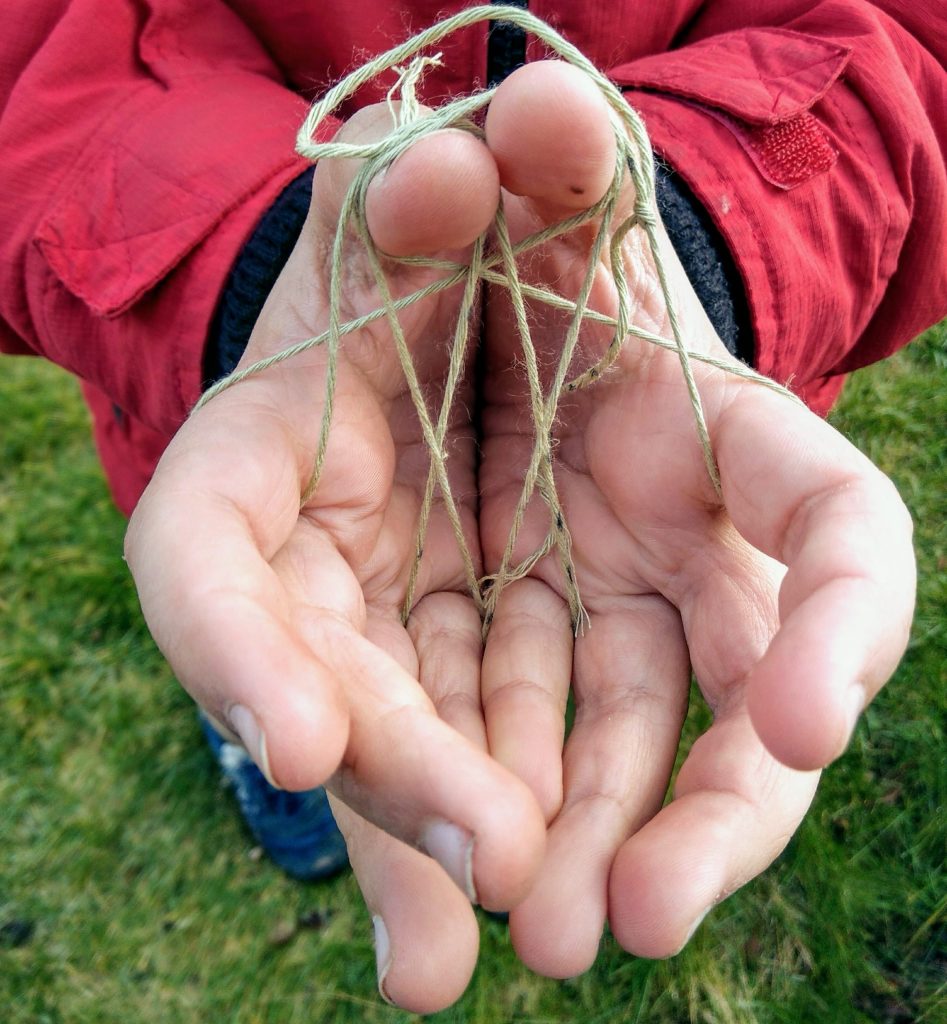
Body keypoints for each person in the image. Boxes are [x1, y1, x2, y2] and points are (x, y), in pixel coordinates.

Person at [0, 1, 943, 1014]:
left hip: (667, 366)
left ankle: (275, 724)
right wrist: (259, 276)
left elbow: (908, 38)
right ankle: (260, 739)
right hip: (254, 420)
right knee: (245, 625)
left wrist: (684, 244)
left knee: (282, 645)